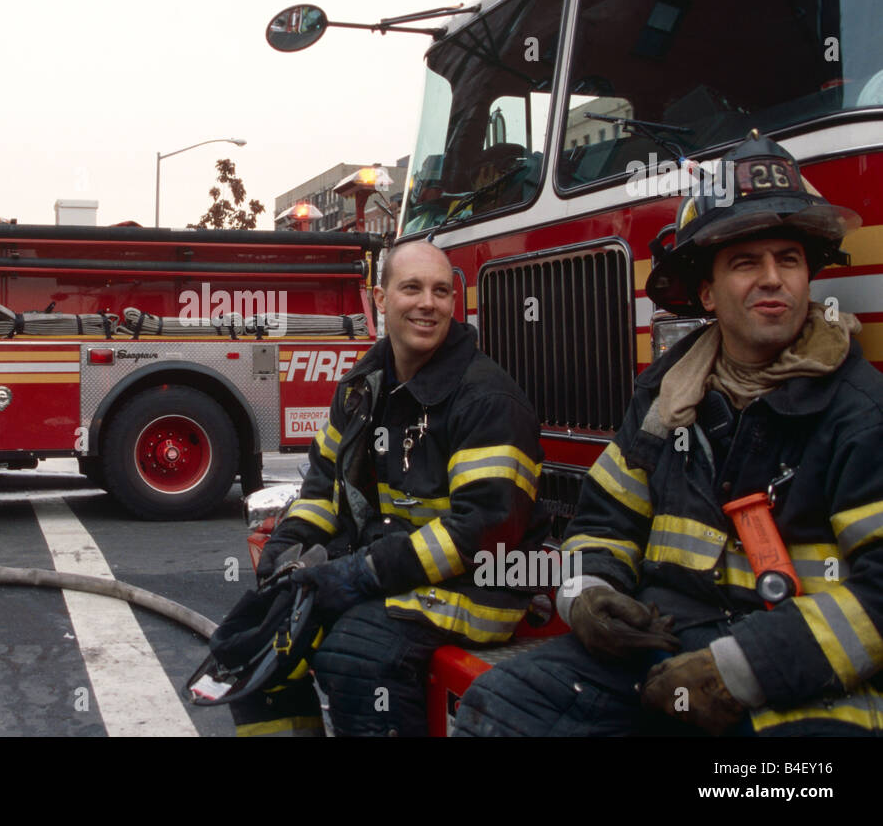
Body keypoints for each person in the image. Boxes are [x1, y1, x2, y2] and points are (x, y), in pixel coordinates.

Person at [455, 132, 883, 736]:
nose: (772, 279)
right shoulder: (665, 399)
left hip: (803, 689)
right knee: (502, 706)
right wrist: (589, 595)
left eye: (788, 260)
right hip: (660, 658)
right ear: (707, 292)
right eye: (745, 262)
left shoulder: (858, 411)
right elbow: (603, 522)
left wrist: (737, 670)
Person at [232, 240, 547, 736]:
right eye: (412, 288)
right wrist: (286, 548)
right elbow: (322, 489)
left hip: (475, 589)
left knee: (357, 657)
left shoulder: (486, 399)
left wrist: (360, 573)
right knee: (256, 641)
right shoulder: (361, 388)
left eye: (441, 291)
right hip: (395, 579)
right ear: (379, 298)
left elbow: (485, 533)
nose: (428, 303)